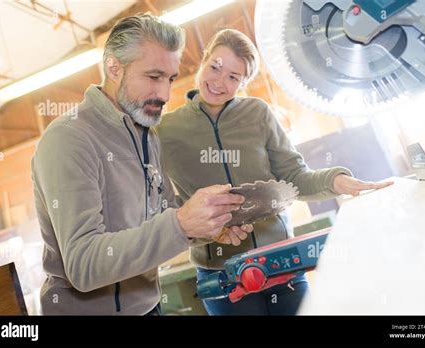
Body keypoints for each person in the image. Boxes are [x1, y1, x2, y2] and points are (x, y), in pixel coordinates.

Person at [156, 29, 394, 315]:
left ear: (244, 83)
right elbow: (164, 204)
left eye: (233, 77)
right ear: (204, 61)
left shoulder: (258, 113)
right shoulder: (166, 130)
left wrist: (339, 181)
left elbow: (294, 177)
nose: (219, 82)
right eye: (215, 67)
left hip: (281, 262)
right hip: (222, 274)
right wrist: (209, 230)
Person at [31, 15, 252, 315]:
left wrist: (203, 228)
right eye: (153, 76)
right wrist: (180, 224)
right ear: (114, 67)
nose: (165, 94)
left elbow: (164, 215)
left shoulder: (148, 137)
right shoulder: (68, 140)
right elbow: (82, 265)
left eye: (171, 78)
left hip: (149, 308)